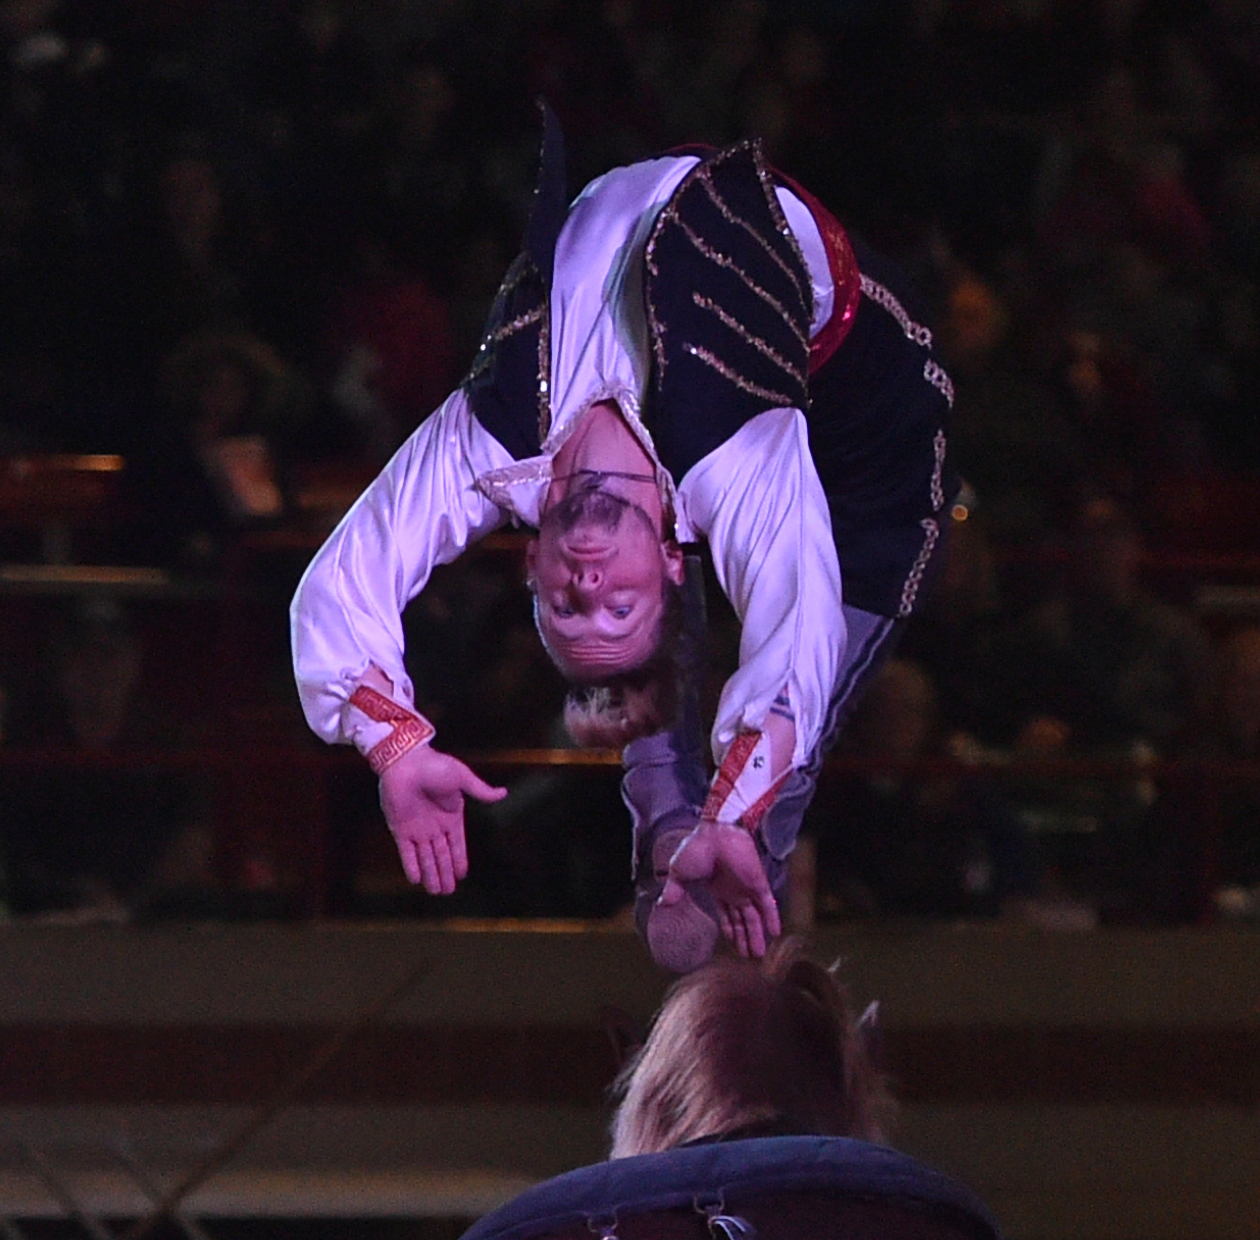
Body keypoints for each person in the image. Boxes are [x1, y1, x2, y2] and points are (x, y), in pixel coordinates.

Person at [291, 108, 951, 969]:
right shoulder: (731, 448)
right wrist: (736, 814)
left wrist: (394, 747)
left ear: (532, 555)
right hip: (871, 473)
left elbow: (343, 577)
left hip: (843, 404)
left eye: (567, 604)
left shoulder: (497, 440)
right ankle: (705, 861)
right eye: (618, 602)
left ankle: (685, 843)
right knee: (782, 719)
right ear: (677, 554)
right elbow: (798, 625)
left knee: (661, 683)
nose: (590, 586)